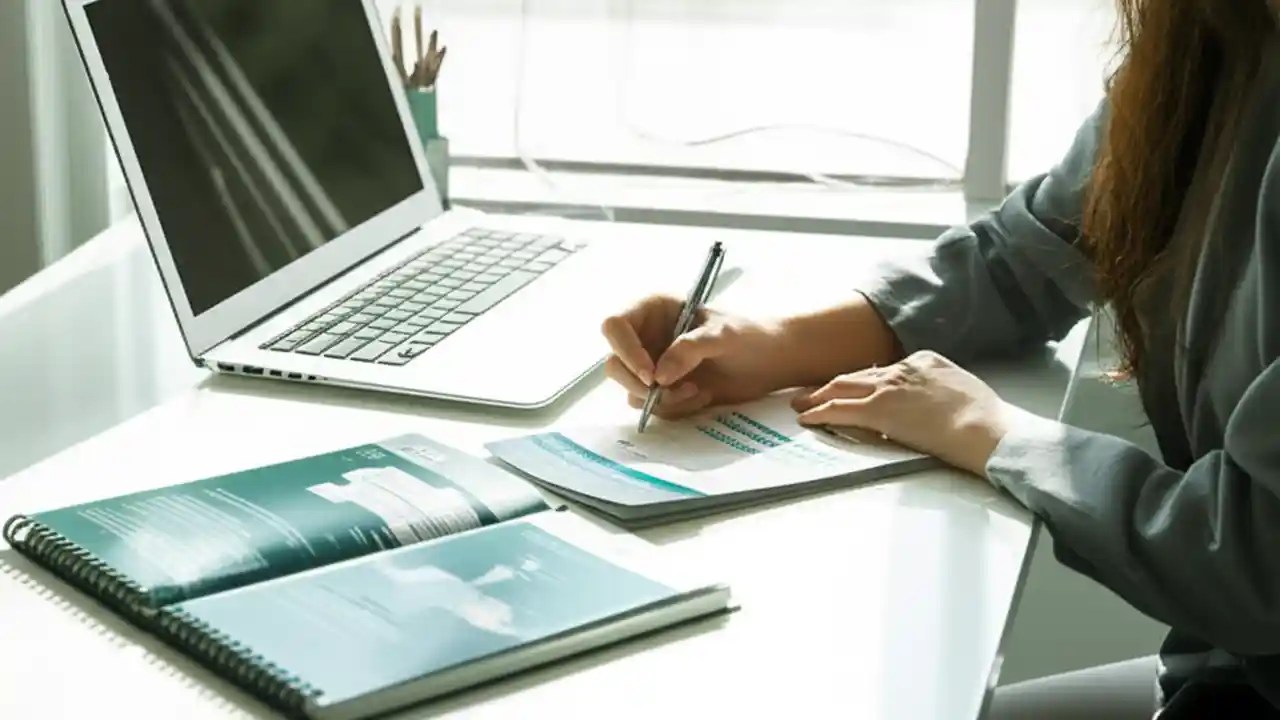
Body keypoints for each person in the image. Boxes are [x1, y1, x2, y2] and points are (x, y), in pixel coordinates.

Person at [600, 1, 1280, 717]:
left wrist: (993, 432)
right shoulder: (1215, 36)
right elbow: (1027, 258)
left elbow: (1251, 562)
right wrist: (769, 345)